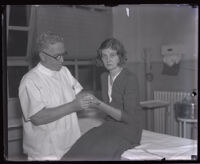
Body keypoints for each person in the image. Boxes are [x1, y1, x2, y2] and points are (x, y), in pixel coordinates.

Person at [61, 38, 143, 161]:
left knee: (98, 153)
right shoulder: (104, 77)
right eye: (104, 56)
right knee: (80, 147)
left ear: (120, 56)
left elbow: (129, 118)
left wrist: (98, 104)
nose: (108, 59)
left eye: (112, 55)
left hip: (129, 129)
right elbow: (108, 109)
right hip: (110, 125)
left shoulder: (130, 78)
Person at [18, 31, 92, 161]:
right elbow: (38, 117)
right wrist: (73, 106)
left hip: (70, 145)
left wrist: (91, 99)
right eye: (57, 56)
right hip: (46, 151)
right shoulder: (30, 80)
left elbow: (79, 94)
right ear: (43, 56)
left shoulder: (64, 71)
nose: (62, 60)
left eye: (63, 54)